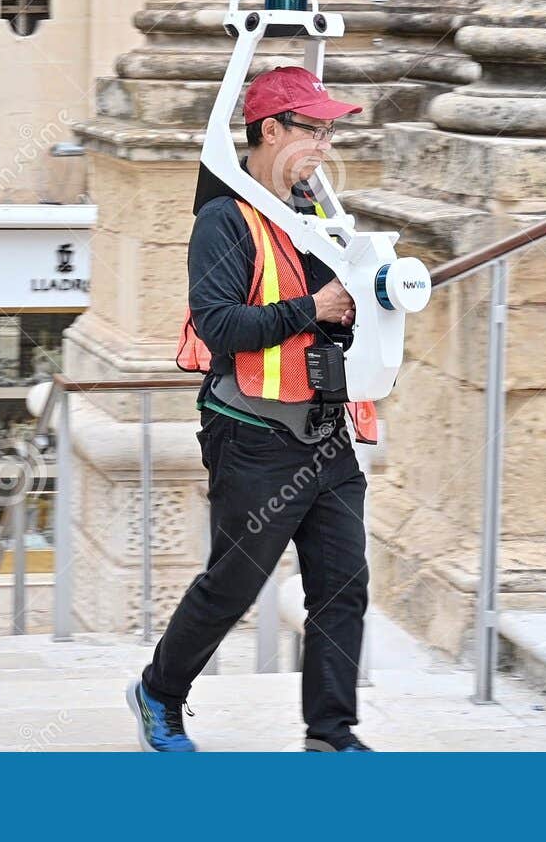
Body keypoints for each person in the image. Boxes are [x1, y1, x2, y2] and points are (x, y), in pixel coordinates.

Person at [126, 65, 375, 752]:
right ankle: (158, 694)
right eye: (312, 129)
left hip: (325, 434)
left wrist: (364, 310)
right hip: (254, 437)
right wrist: (313, 308)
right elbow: (220, 329)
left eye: (329, 132)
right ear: (270, 130)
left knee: (342, 587)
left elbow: (339, 319)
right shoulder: (223, 221)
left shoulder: (320, 217)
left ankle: (331, 737)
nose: (324, 146)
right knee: (233, 585)